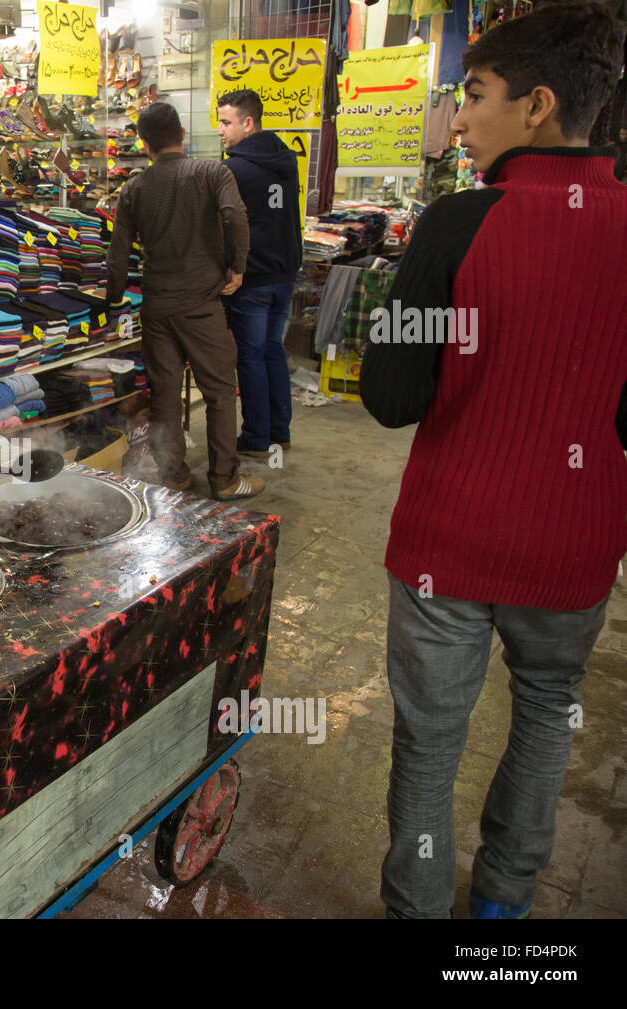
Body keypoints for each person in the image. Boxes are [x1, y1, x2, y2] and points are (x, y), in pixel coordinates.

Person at [360, 2, 627, 919]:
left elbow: (390, 401)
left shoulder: (456, 225)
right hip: (578, 543)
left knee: (431, 745)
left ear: (539, 105)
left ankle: (420, 912)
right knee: (549, 713)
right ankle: (504, 906)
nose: (460, 119)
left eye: (474, 97)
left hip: (451, 538)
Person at [105, 101, 262, 500]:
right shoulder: (212, 172)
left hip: (157, 307)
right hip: (201, 304)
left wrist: (111, 301)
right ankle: (225, 479)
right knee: (220, 393)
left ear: (143, 144)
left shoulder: (135, 188)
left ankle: (174, 474)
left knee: (164, 395)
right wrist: (237, 267)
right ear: (183, 134)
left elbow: (118, 253)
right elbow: (235, 217)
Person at [217, 88, 303, 458]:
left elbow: (227, 225)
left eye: (226, 122)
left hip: (252, 278)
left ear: (248, 123)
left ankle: (255, 438)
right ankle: (278, 433)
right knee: (272, 351)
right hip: (284, 273)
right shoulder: (286, 160)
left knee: (250, 357)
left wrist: (231, 267)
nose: (220, 130)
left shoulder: (234, 169)